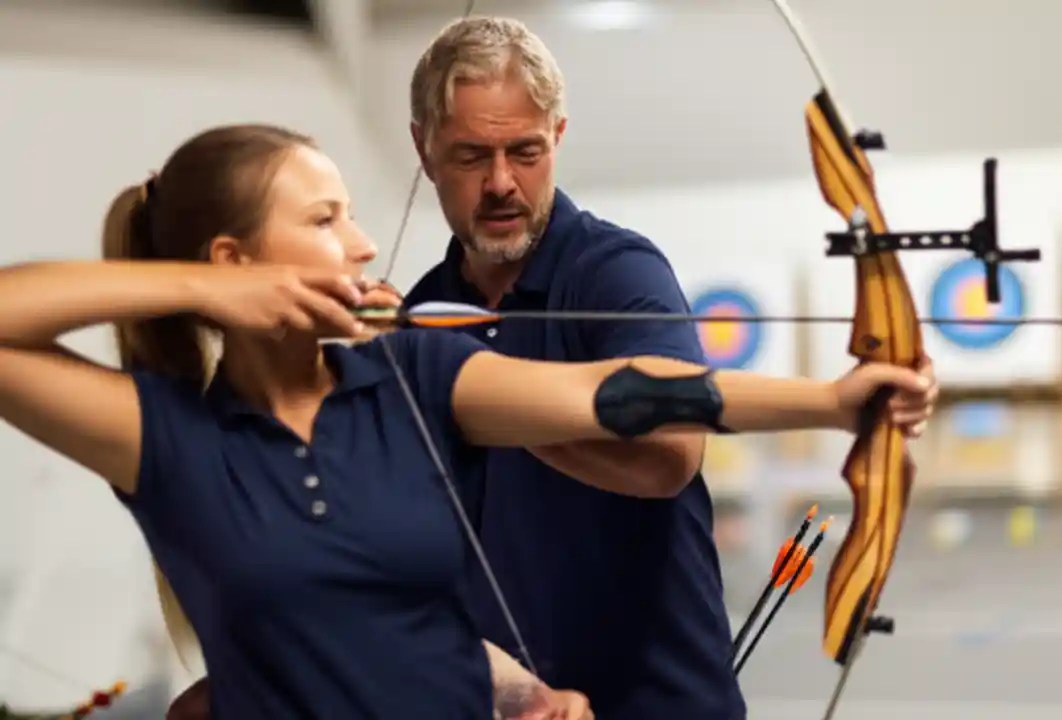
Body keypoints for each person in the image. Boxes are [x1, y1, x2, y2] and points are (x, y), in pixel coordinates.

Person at [0, 123, 934, 719]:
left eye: (354, 214)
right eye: (326, 220)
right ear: (236, 256)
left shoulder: (413, 372)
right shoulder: (165, 438)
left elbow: (616, 394)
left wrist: (832, 402)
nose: (363, 244)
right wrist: (204, 290)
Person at [396, 15, 935, 720]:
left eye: (524, 151)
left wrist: (477, 397)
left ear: (557, 136)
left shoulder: (614, 271)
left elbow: (670, 453)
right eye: (471, 157)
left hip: (658, 699)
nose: (502, 182)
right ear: (424, 149)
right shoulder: (424, 312)